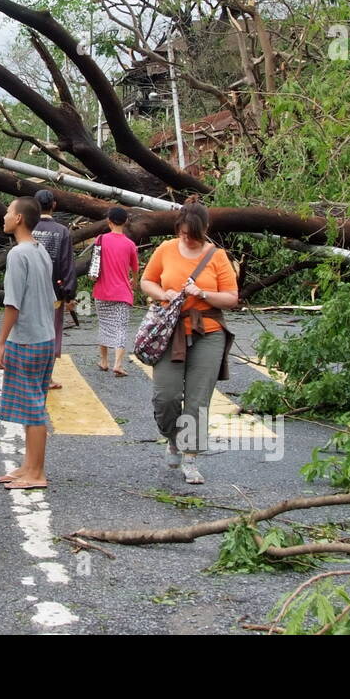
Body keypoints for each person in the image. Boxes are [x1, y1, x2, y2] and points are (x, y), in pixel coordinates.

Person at [138, 199, 238, 486]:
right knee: (165, 396)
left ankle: (191, 458)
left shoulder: (217, 256)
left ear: (204, 229)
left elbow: (231, 298)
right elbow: (146, 281)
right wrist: (164, 293)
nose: (186, 239)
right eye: (182, 233)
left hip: (208, 331)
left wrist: (203, 293)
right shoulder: (166, 249)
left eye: (192, 235)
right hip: (171, 330)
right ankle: (173, 439)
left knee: (197, 400)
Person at [0, 197, 57, 490]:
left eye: (9, 211)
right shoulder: (40, 249)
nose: (4, 216)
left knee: (33, 409)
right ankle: (29, 466)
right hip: (45, 336)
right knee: (35, 404)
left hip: (27, 338)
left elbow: (12, 304)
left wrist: (1, 342)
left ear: (19, 218)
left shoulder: (18, 254)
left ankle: (37, 473)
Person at [32, 190, 76, 391]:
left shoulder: (28, 227)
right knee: (52, 333)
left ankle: (30, 374)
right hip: (54, 292)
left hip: (30, 291)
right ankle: (46, 377)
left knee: (31, 331)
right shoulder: (62, 231)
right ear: (54, 205)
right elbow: (67, 263)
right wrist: (69, 293)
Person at [93, 206, 140, 376]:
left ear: (109, 221)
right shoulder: (130, 244)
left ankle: (104, 361)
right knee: (120, 327)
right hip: (122, 293)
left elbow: (95, 262)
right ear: (126, 221)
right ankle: (118, 364)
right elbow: (135, 269)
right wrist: (134, 280)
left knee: (104, 325)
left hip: (102, 291)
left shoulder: (100, 239)